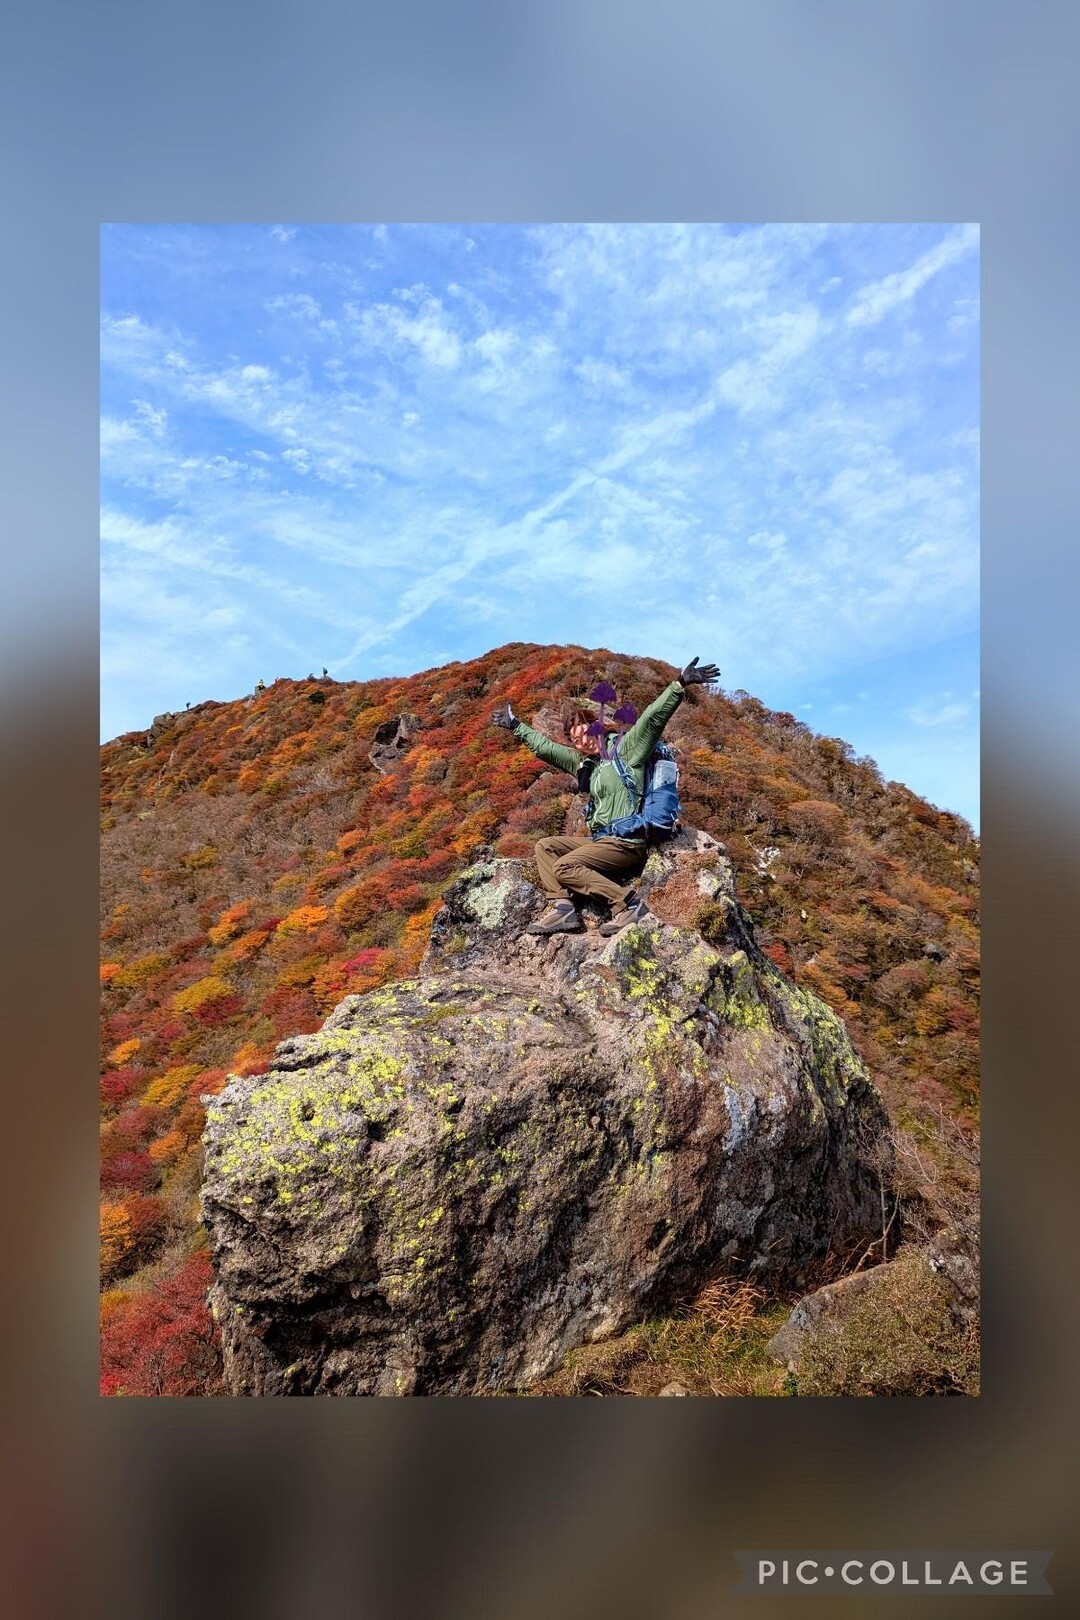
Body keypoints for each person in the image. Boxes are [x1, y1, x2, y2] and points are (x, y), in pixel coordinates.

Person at [491, 657, 719, 935]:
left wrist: (679, 684)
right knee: (546, 846)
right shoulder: (586, 764)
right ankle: (563, 909)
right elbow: (546, 749)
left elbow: (652, 719)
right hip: (601, 840)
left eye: (585, 733)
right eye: (575, 739)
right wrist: (516, 725)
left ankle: (627, 905)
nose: (582, 741)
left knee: (565, 866)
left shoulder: (627, 749)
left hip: (627, 841)